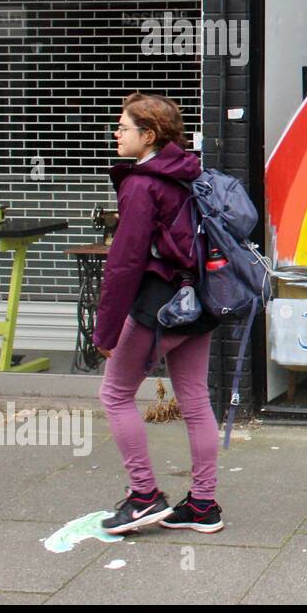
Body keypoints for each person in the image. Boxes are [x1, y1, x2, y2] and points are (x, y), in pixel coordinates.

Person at [95, 93, 223, 535]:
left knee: (114, 394)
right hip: (201, 300)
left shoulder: (141, 183)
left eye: (123, 127)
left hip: (161, 307)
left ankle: (143, 496)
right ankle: (204, 505)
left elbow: (125, 263)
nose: (116, 133)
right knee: (195, 399)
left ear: (147, 136)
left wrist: (106, 331)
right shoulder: (189, 173)